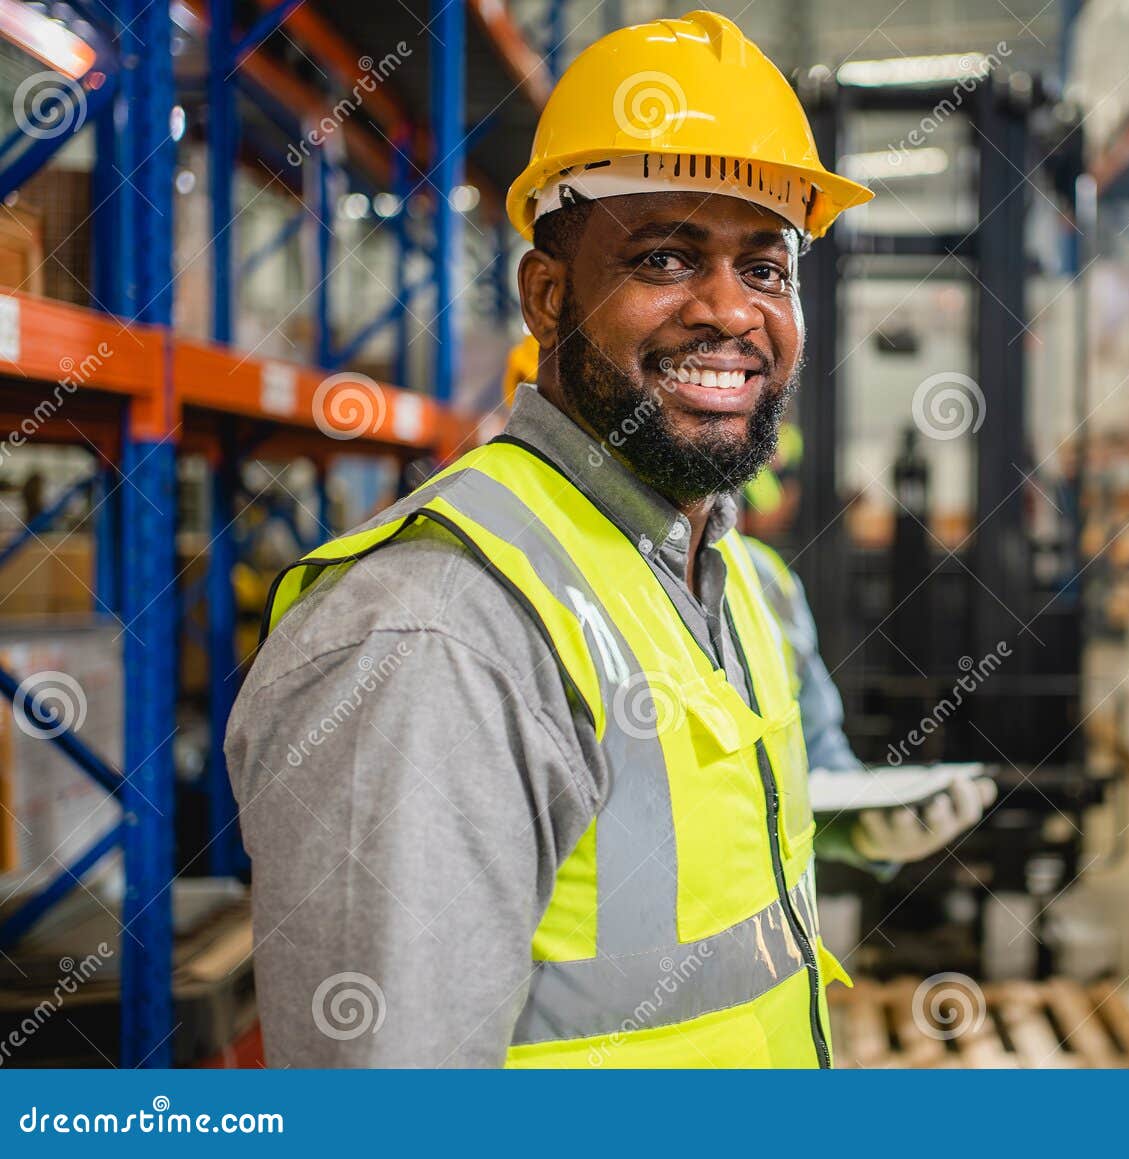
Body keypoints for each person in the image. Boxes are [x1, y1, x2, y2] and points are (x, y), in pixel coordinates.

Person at [226, 9, 990, 1069]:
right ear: (547, 296)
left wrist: (839, 826)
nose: (730, 312)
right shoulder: (434, 633)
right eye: (667, 258)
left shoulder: (725, 577)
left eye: (765, 268)